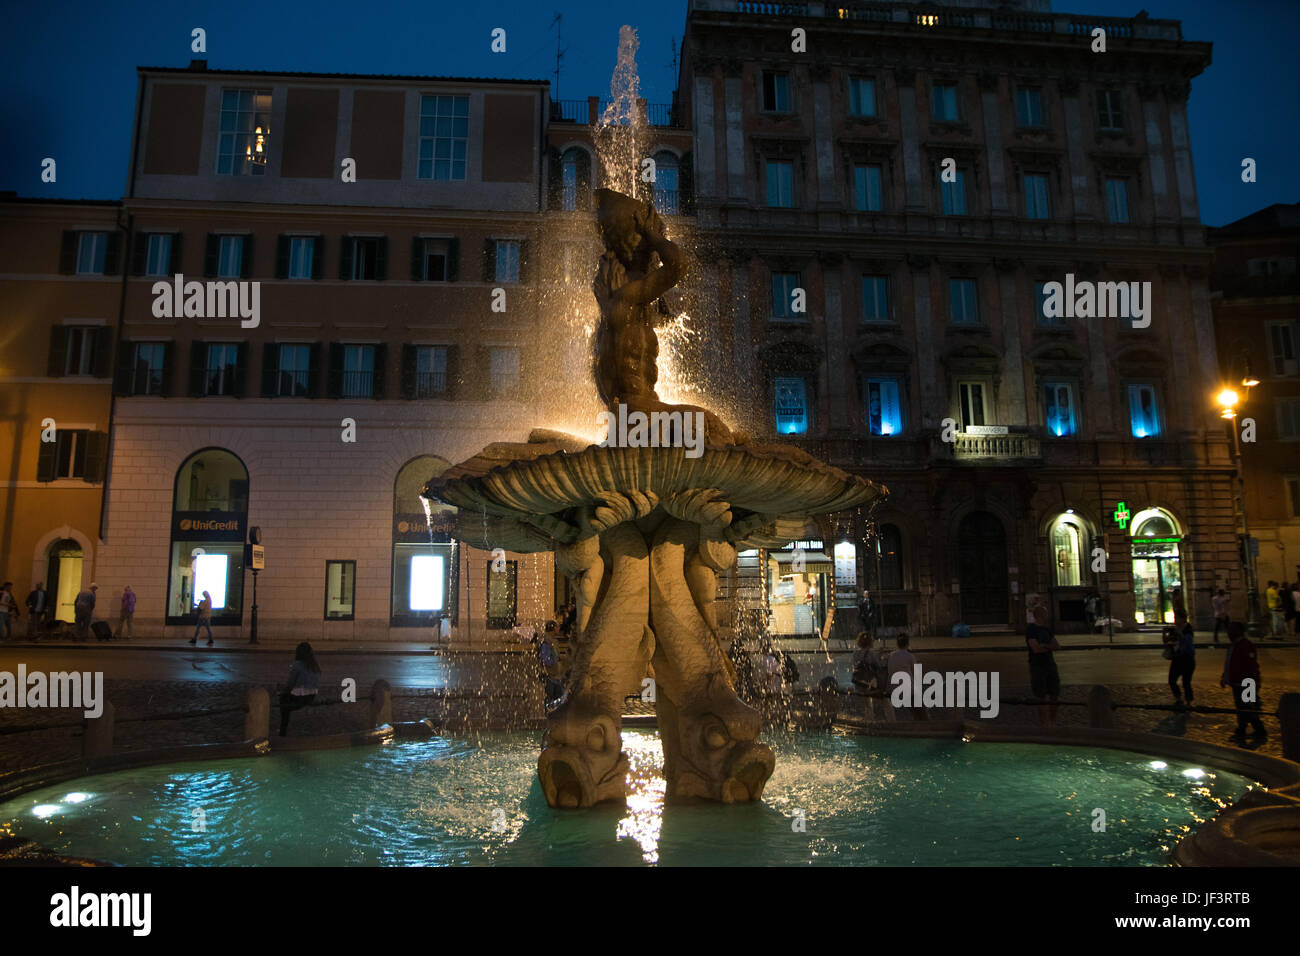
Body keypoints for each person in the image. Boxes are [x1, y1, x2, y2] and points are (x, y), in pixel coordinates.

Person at [1220, 621, 1266, 741]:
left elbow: (1251, 666)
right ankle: (1244, 730)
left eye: (1231, 630)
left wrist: (1252, 684)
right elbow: (1230, 664)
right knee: (1242, 708)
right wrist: (1225, 677)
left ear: (1238, 631)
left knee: (1247, 708)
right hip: (1237, 683)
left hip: (1246, 684)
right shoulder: (1234, 646)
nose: (1228, 633)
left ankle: (1257, 730)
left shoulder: (1245, 645)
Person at [1026, 608, 1061, 726]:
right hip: (1037, 666)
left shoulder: (1047, 629)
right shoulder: (1031, 629)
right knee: (1040, 696)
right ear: (1041, 615)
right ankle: (1044, 723)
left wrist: (1044, 645)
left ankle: (1052, 721)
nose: (1047, 615)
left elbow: (1057, 646)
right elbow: (1036, 649)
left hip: (1050, 664)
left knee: (1054, 694)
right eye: (1045, 613)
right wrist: (1049, 646)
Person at [279, 642, 321, 736]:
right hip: (312, 695)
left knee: (283, 703)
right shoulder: (314, 665)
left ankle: (283, 731)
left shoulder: (297, 665)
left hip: (300, 697)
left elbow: (291, 683)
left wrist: (284, 692)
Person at [1167, 608, 1196, 707]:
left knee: (1186, 682)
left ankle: (1188, 701)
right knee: (1171, 680)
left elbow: (1188, 643)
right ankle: (1178, 698)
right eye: (1175, 618)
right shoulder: (1175, 629)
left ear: (1183, 619)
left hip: (1187, 658)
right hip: (1177, 658)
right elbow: (1169, 641)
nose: (1175, 620)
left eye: (1177, 618)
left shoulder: (1188, 629)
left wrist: (1180, 635)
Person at [887, 634, 918, 719]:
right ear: (907, 644)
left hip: (893, 687)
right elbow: (916, 674)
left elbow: (889, 671)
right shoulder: (910, 656)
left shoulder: (891, 655)